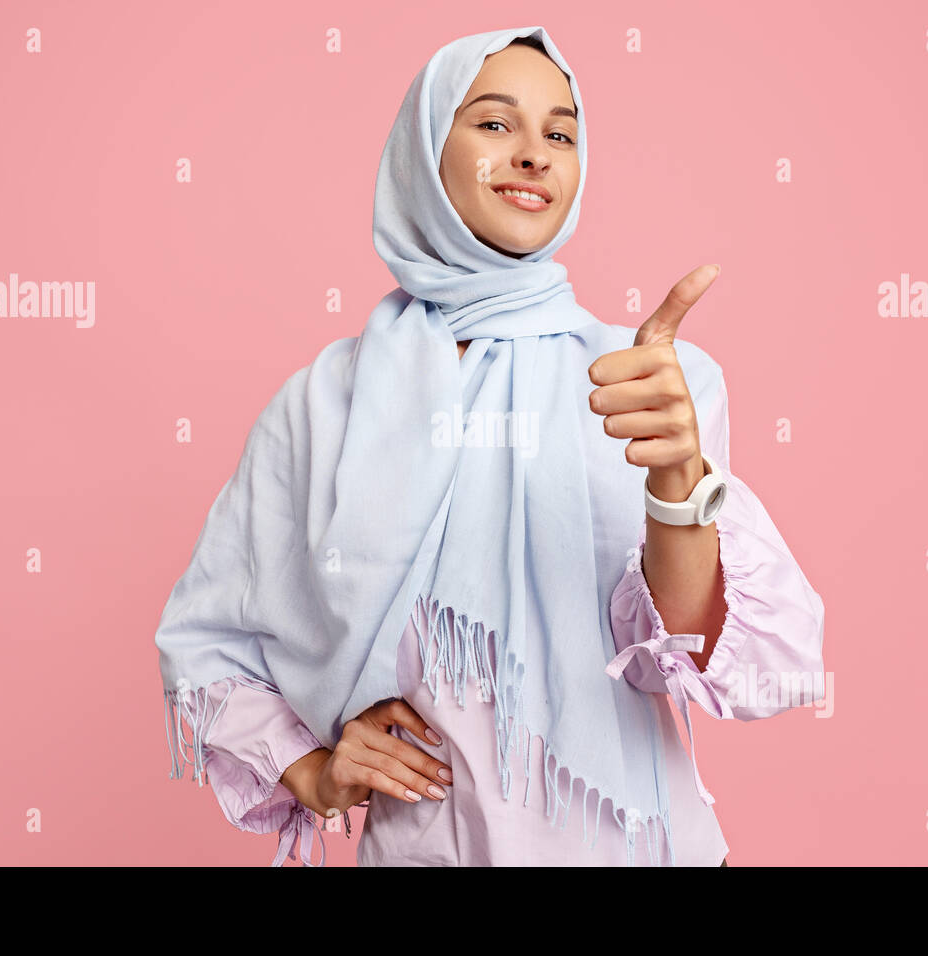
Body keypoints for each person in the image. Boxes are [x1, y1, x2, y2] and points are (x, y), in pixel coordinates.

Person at [155, 25, 825, 867]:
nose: (535, 155)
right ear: (427, 147)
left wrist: (679, 481)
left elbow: (682, 657)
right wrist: (316, 771)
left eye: (561, 133)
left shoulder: (649, 379)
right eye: (496, 123)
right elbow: (208, 637)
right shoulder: (321, 404)